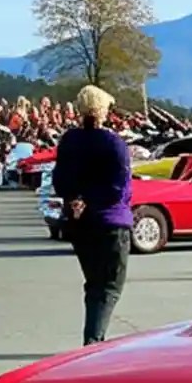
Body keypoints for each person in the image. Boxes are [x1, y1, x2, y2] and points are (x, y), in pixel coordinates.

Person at [51, 85, 132, 346]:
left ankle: (93, 335)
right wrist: (91, 200)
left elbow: (60, 177)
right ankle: (93, 341)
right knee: (109, 285)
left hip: (79, 222)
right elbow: (118, 185)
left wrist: (75, 199)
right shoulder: (113, 143)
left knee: (94, 283)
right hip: (110, 220)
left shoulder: (69, 140)